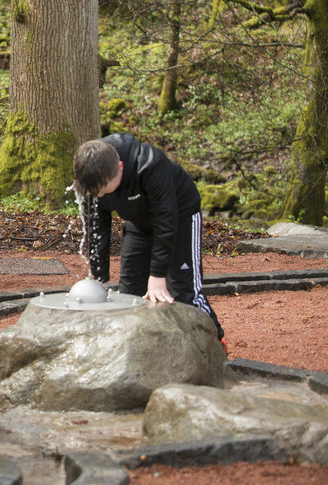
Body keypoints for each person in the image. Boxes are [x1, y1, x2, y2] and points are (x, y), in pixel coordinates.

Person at [72, 133, 226, 344]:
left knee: (182, 294)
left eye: (104, 191)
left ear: (120, 168)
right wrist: (99, 278)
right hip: (138, 224)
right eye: (95, 193)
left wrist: (157, 275)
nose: (99, 197)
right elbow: (97, 227)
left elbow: (166, 220)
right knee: (129, 294)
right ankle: (142, 349)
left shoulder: (151, 164)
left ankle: (216, 344)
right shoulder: (92, 175)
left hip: (179, 218)